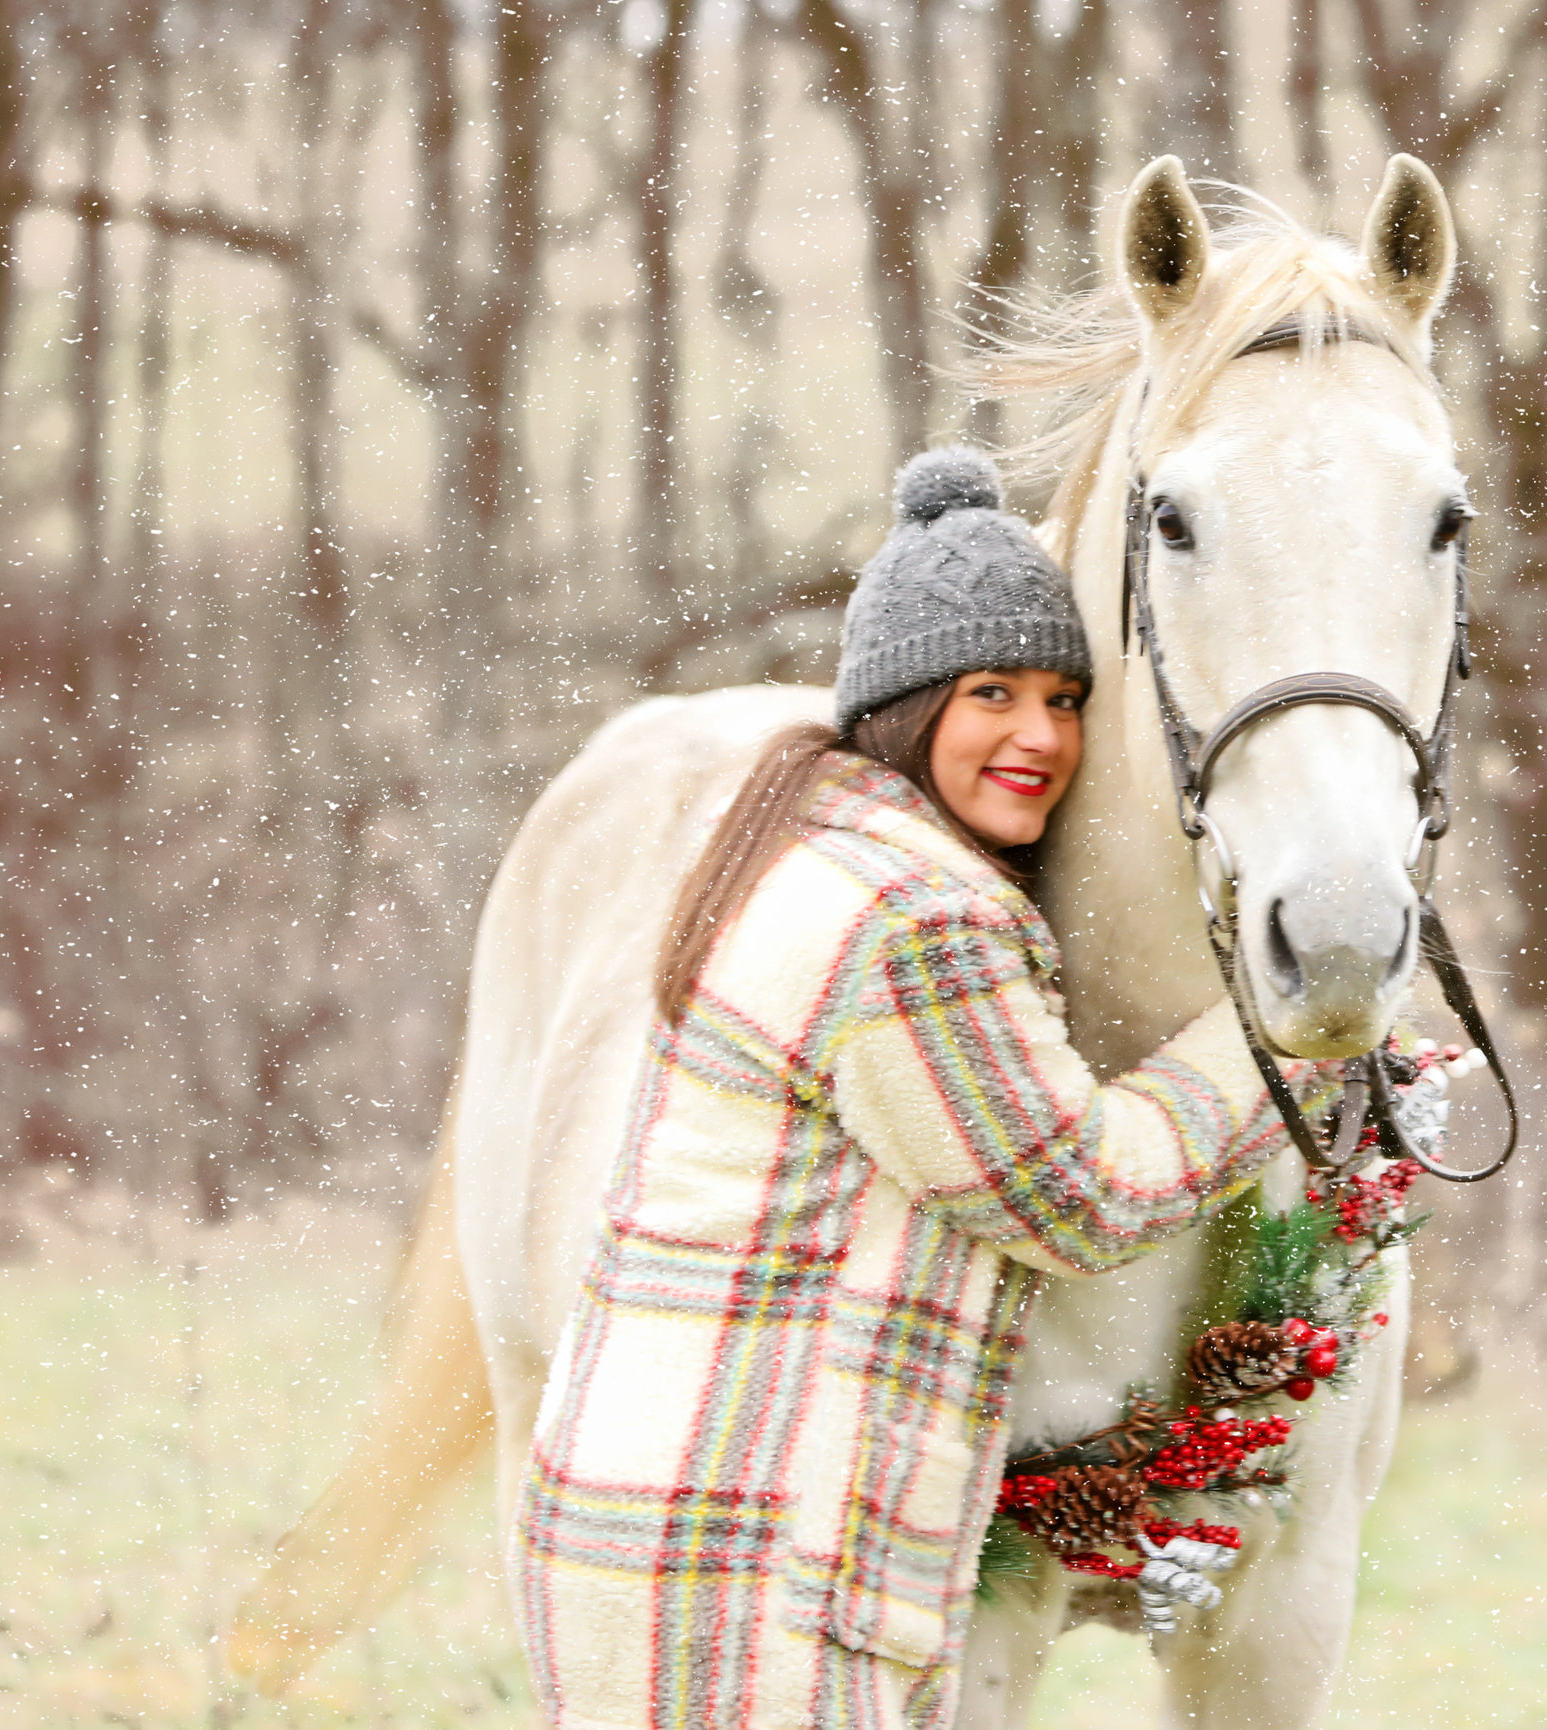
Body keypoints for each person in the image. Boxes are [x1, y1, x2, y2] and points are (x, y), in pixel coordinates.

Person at [512, 449, 1304, 1730]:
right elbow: (1082, 1192)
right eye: (992, 691)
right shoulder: (914, 922)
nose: (1040, 736)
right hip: (750, 1557)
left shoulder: (808, 848)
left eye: (1063, 698)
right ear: (902, 699)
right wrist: (1275, 1033)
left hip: (652, 1518)